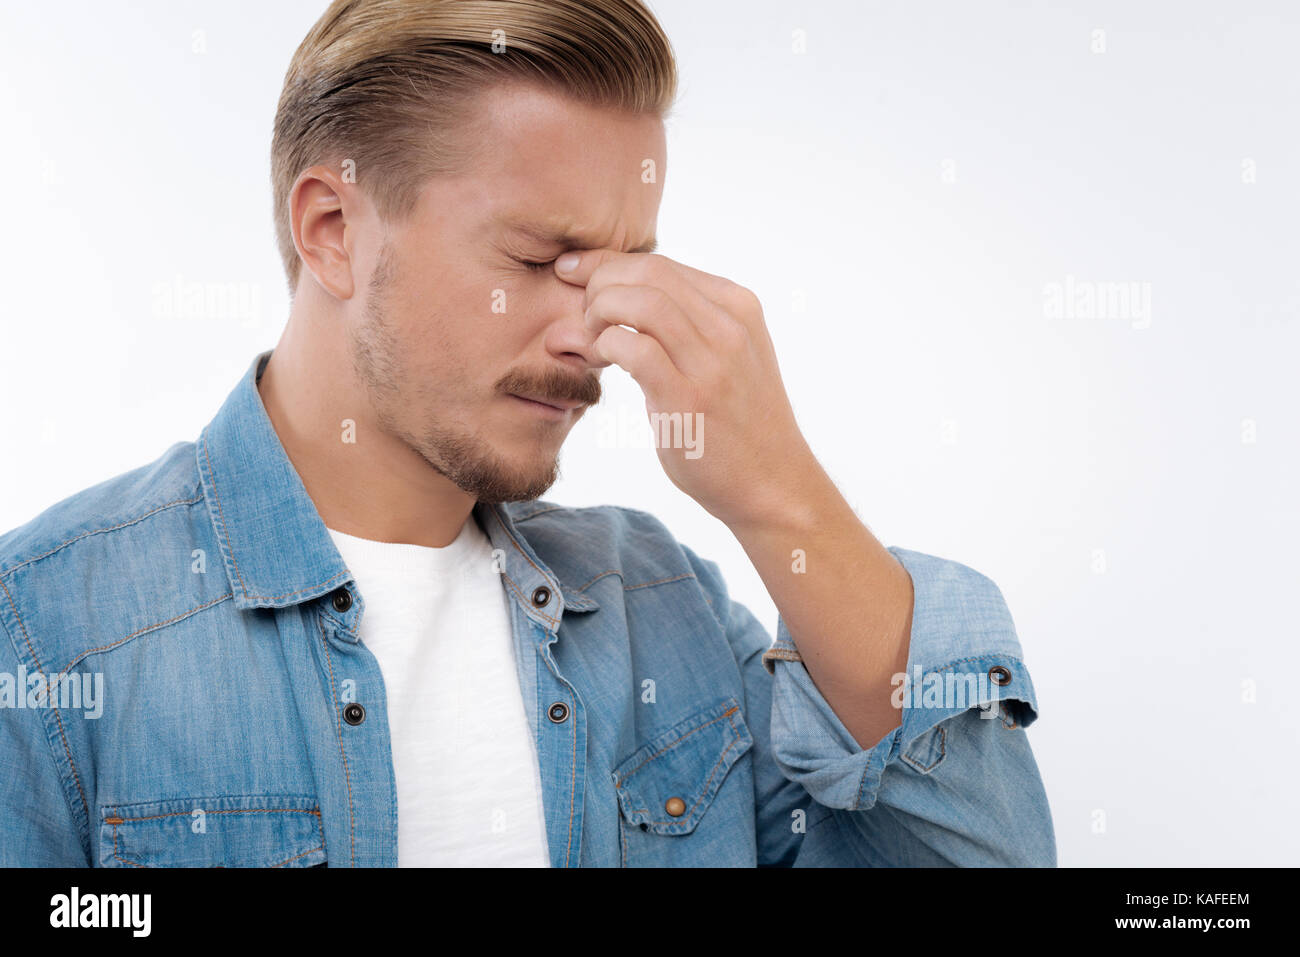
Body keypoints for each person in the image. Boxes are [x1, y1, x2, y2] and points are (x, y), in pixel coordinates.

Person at [0, 0, 1054, 867]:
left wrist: (779, 496)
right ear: (332, 232)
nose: (595, 333)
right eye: (542, 261)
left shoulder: (663, 608)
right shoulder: (46, 632)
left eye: (622, 269)